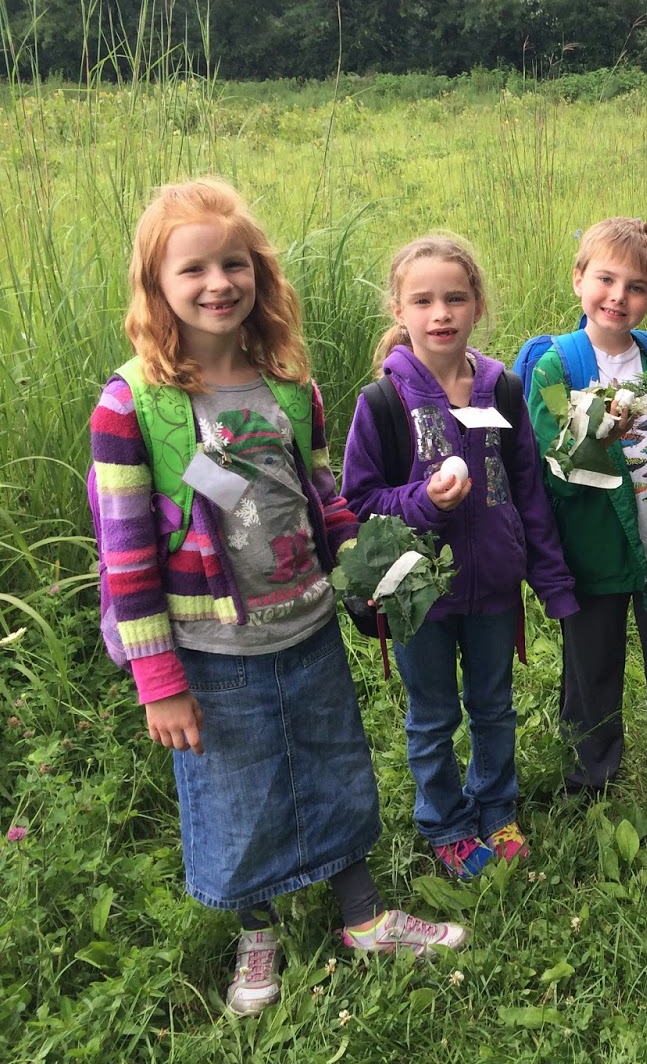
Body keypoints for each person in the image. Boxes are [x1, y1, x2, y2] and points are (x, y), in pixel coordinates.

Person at [88, 179, 466, 1019]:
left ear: (259, 273)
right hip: (210, 650)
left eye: (235, 264)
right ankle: (255, 935)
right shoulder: (134, 404)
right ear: (157, 286)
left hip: (306, 624)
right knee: (238, 791)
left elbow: (324, 498)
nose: (218, 283)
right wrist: (159, 679)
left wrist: (370, 575)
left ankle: (363, 916)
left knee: (336, 765)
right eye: (194, 270)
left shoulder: (291, 383)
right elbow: (125, 560)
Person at [342, 233, 578, 878]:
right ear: (400, 311)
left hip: (496, 587)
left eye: (454, 298)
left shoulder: (500, 391)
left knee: (494, 705)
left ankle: (496, 807)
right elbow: (359, 502)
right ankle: (444, 822)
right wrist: (426, 502)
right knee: (433, 714)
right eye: (423, 300)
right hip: (421, 597)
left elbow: (529, 491)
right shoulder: (383, 404)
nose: (439, 312)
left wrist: (551, 583)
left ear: (477, 306)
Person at [524, 218, 647, 798]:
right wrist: (595, 436)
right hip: (595, 546)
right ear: (578, 279)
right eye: (605, 280)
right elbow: (554, 466)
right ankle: (590, 769)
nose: (618, 296)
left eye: (636, 287)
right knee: (591, 659)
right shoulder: (554, 366)